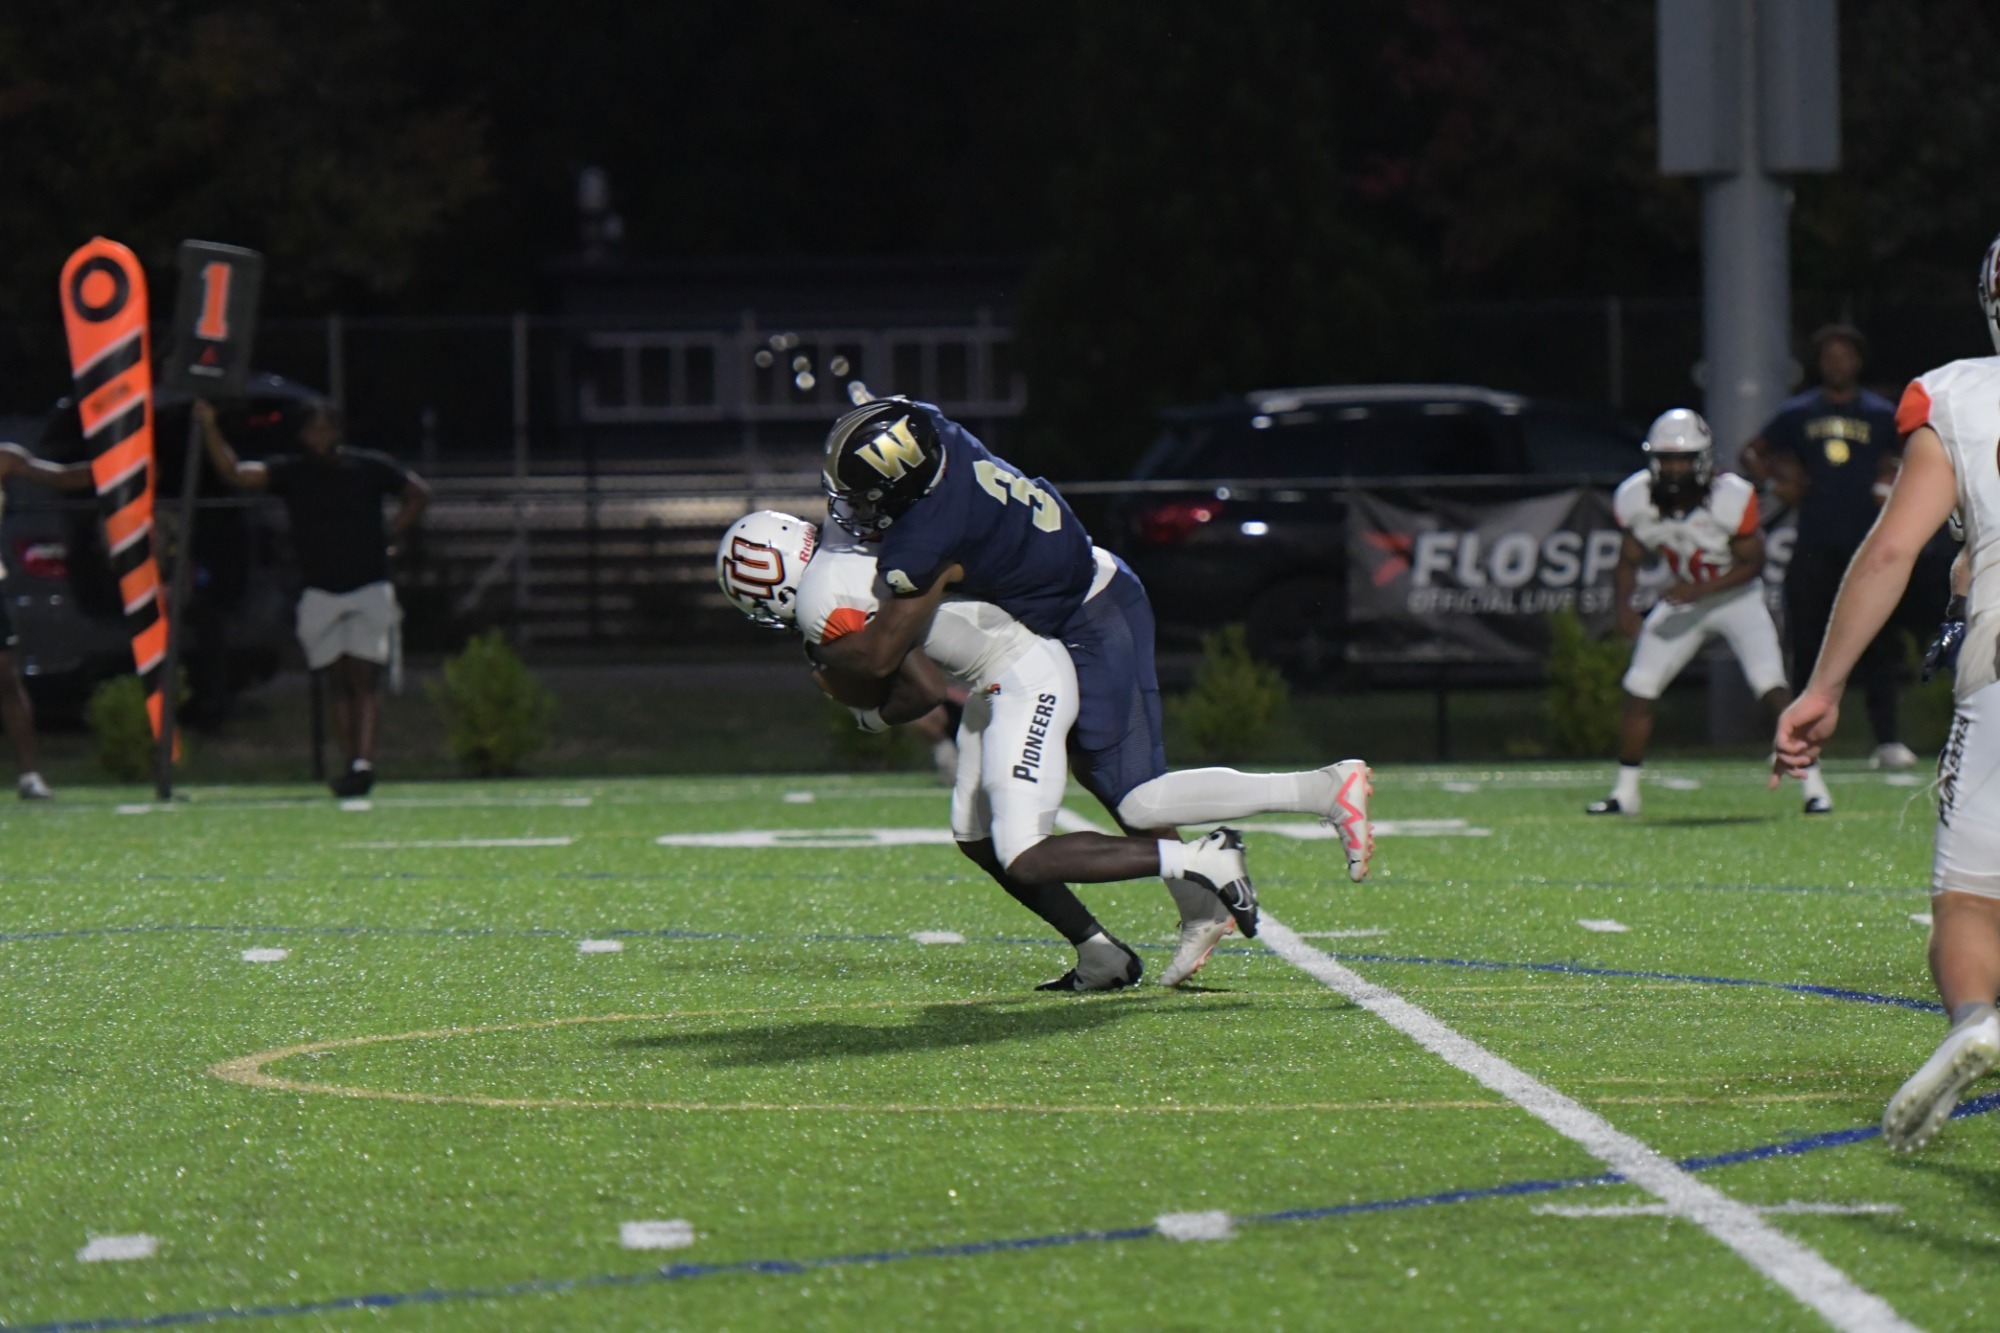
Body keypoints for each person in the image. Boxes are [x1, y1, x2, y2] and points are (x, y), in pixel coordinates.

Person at [809, 397, 1372, 929]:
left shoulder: (927, 539)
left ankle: (1321, 789)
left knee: (1140, 797)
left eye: (865, 497)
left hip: (1093, 615)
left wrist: (817, 643)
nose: (854, 511)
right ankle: (1203, 911)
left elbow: (880, 656)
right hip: (1081, 600)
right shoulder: (938, 430)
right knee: (1105, 778)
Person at [1774, 234, 2000, 1152]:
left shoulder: (1957, 395)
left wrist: (1822, 685)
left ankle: (1975, 1019)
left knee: (1971, 902)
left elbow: (1891, 550)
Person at [1589, 409, 1832, 816]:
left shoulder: (1730, 498)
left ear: (1702, 460)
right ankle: (1625, 793)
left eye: (1683, 459)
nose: (1674, 468)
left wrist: (1699, 588)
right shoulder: (1636, 499)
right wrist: (1624, 607)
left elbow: (1752, 563)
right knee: (1639, 687)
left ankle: (1815, 788)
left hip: (1736, 599)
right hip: (1685, 602)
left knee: (1771, 685)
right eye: (1667, 459)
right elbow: (1628, 559)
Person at [193, 398, 430, 796]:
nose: (319, 436)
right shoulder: (293, 471)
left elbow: (418, 493)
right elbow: (236, 473)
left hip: (368, 585)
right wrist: (209, 426)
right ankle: (351, 763)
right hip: (320, 589)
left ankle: (363, 761)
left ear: (338, 431)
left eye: (326, 427)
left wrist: (390, 534)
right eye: (311, 429)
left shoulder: (368, 466)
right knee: (337, 681)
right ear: (301, 435)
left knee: (364, 677)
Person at [1743, 324, 1920, 770]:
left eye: (1845, 356)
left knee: (1879, 641)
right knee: (1807, 640)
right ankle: (1798, 738)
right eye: (1829, 357)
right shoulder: (1799, 412)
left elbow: (1917, 455)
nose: (1837, 364)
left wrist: (1892, 478)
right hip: (1814, 541)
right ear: (1819, 364)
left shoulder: (1881, 413)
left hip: (1869, 541)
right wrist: (1776, 480)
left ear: (1858, 362)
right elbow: (1752, 452)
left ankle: (1887, 740)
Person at [0, 443, 96, 798]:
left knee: (8, 680)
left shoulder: (4, 458)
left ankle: (29, 775)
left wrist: (115, 463)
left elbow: (62, 477)